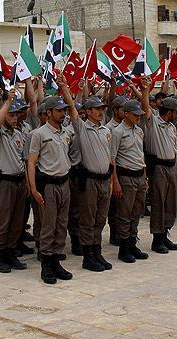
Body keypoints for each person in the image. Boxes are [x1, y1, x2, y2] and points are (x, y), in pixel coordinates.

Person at [60, 77, 113, 272]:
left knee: (101, 219)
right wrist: (65, 87)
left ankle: (97, 252)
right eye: (97, 109)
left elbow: (109, 156)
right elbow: (73, 109)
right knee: (88, 219)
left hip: (104, 180)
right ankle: (88, 255)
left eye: (102, 109)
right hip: (89, 180)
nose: (101, 112)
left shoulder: (106, 130)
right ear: (88, 111)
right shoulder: (82, 128)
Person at [27, 95, 73, 284]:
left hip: (64, 183)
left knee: (62, 225)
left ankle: (56, 260)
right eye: (59, 110)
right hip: (48, 185)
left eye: (64, 110)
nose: (63, 114)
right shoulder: (39, 134)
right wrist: (34, 189)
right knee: (48, 226)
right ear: (49, 112)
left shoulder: (65, 133)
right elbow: (31, 163)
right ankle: (46, 264)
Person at [0, 89, 30, 273]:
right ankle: (0, 256)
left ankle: (11, 252)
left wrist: (28, 183)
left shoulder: (18, 134)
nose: (15, 119)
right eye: (11, 116)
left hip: (19, 181)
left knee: (17, 221)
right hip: (4, 182)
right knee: (3, 221)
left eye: (16, 115)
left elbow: (23, 160)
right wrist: (8, 101)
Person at [142, 80, 177, 254]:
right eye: (175, 112)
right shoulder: (153, 123)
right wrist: (145, 89)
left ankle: (165, 233)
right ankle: (157, 238)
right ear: (169, 112)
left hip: (172, 167)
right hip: (158, 167)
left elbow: (175, 151)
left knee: (171, 202)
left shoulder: (172, 127)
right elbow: (145, 106)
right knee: (158, 202)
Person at [110, 97, 150, 262]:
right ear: (125, 114)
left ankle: (133, 243)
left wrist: (145, 176)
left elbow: (141, 155)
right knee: (124, 214)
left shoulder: (139, 130)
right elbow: (112, 159)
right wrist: (116, 182)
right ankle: (124, 248)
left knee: (137, 212)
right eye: (135, 114)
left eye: (139, 114)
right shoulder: (117, 132)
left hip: (139, 175)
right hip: (126, 177)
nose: (138, 117)